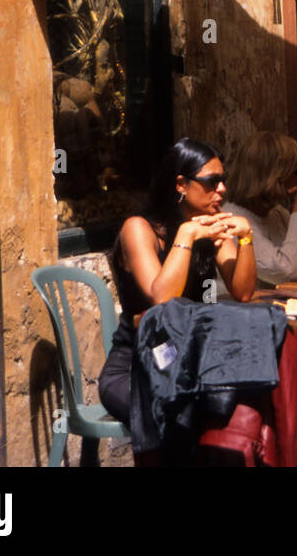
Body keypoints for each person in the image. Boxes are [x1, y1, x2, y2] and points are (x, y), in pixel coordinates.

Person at [97, 138, 257, 425]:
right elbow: (164, 300)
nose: (222, 189)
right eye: (212, 181)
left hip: (189, 364)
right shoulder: (139, 228)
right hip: (135, 367)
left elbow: (243, 292)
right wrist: (186, 235)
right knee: (182, 415)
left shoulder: (211, 223)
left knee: (248, 400)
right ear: (181, 184)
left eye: (223, 180)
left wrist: (245, 238)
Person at [221, 131, 297, 286]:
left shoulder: (275, 214)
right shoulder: (231, 221)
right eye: (295, 172)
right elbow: (286, 271)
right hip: (245, 309)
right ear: (275, 176)